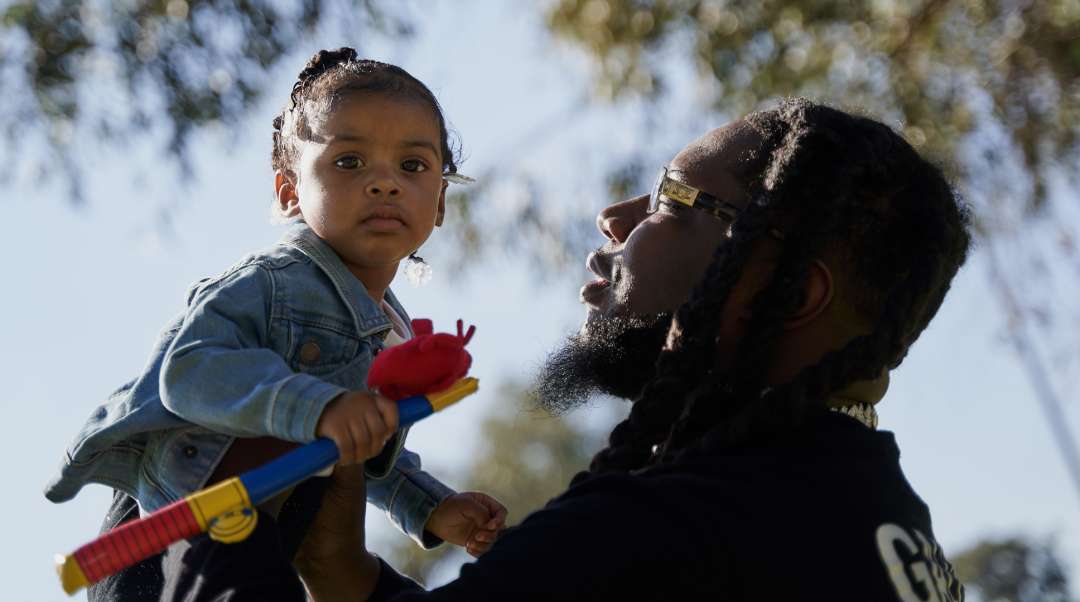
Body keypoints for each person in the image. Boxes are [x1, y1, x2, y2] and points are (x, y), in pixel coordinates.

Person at [163, 97, 971, 600]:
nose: (615, 218)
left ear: (792, 294)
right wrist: (346, 574)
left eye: (673, 201)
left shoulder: (686, 525)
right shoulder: (886, 526)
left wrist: (209, 541)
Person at [44, 48, 507, 600]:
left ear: (439, 204)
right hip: (182, 527)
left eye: (412, 166)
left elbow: (370, 447)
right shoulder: (272, 282)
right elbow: (190, 369)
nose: (384, 183)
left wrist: (430, 508)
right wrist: (320, 407)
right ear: (289, 191)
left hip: (263, 535)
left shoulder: (388, 330)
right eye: (350, 162)